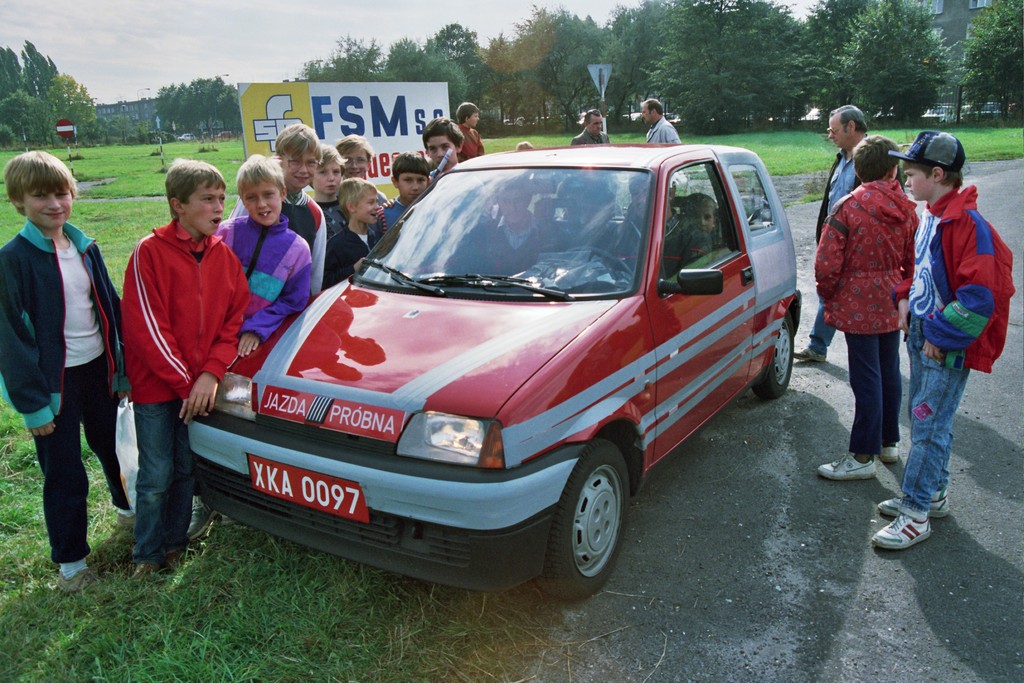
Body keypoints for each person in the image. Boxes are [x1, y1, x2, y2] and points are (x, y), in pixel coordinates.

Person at [871, 131, 1014, 549]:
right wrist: (903, 298)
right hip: (925, 333)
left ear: (937, 174)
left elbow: (980, 297)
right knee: (927, 419)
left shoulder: (967, 225)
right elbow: (924, 269)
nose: (904, 181)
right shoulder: (934, 212)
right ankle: (932, 494)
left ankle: (915, 514)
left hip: (943, 342)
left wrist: (939, 334)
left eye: (910, 174)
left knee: (929, 425)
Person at [0, 151, 132, 592]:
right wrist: (33, 406)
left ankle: (129, 513)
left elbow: (111, 309)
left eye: (61, 193)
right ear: (18, 201)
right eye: (40, 196)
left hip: (99, 373)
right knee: (64, 472)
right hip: (52, 388)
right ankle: (72, 564)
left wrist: (124, 368)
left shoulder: (85, 247)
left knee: (114, 448)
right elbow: (9, 341)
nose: (54, 204)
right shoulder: (12, 259)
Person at [122, 159, 249, 577]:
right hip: (160, 390)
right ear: (178, 205)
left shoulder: (224, 257)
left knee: (184, 468)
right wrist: (185, 384)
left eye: (221, 198)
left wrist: (210, 375)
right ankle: (146, 553)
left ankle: (174, 544)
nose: (218, 208)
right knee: (156, 474)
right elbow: (147, 330)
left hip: (201, 389)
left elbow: (233, 323)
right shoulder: (149, 252)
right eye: (207, 200)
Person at [814, 136, 917, 482]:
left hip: (857, 302)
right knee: (888, 370)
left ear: (856, 169)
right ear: (893, 169)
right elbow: (911, 260)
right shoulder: (906, 208)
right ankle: (889, 442)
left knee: (866, 377)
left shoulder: (846, 207)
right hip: (891, 299)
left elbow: (826, 263)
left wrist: (828, 295)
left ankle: (861, 455)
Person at [217, 155, 312, 357]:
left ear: (283, 193)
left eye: (268, 194)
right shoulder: (225, 233)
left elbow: (293, 301)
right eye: (251, 197)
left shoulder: (298, 249)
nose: (261, 204)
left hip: (259, 340)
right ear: (242, 199)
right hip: (215, 332)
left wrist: (256, 328)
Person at [795, 105, 868, 363]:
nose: (829, 135)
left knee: (841, 294)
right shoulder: (841, 158)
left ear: (851, 127)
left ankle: (836, 348)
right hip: (833, 239)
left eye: (834, 130)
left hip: (855, 244)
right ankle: (818, 346)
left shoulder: (873, 158)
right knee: (829, 290)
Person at [232, 124, 326, 294]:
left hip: (292, 307)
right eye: (295, 161)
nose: (303, 170)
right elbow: (232, 245)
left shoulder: (315, 212)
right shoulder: (254, 201)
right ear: (279, 159)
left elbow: (315, 272)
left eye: (311, 162)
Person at [323, 178, 382, 288]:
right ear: (351, 207)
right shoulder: (336, 244)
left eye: (377, 201)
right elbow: (325, 281)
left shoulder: (378, 238)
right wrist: (354, 268)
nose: (377, 207)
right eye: (371, 202)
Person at [377, 152, 431, 232]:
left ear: (428, 182)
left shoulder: (435, 210)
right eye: (408, 180)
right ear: (395, 182)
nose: (415, 187)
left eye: (420, 180)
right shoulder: (383, 216)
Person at [336, 134, 387, 205]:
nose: (354, 166)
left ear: (368, 164)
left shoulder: (379, 199)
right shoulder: (330, 198)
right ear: (339, 163)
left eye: (360, 160)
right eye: (348, 160)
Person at [312, 143, 345, 240]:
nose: (331, 178)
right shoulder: (306, 211)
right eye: (323, 172)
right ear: (310, 175)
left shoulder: (351, 207)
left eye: (336, 172)